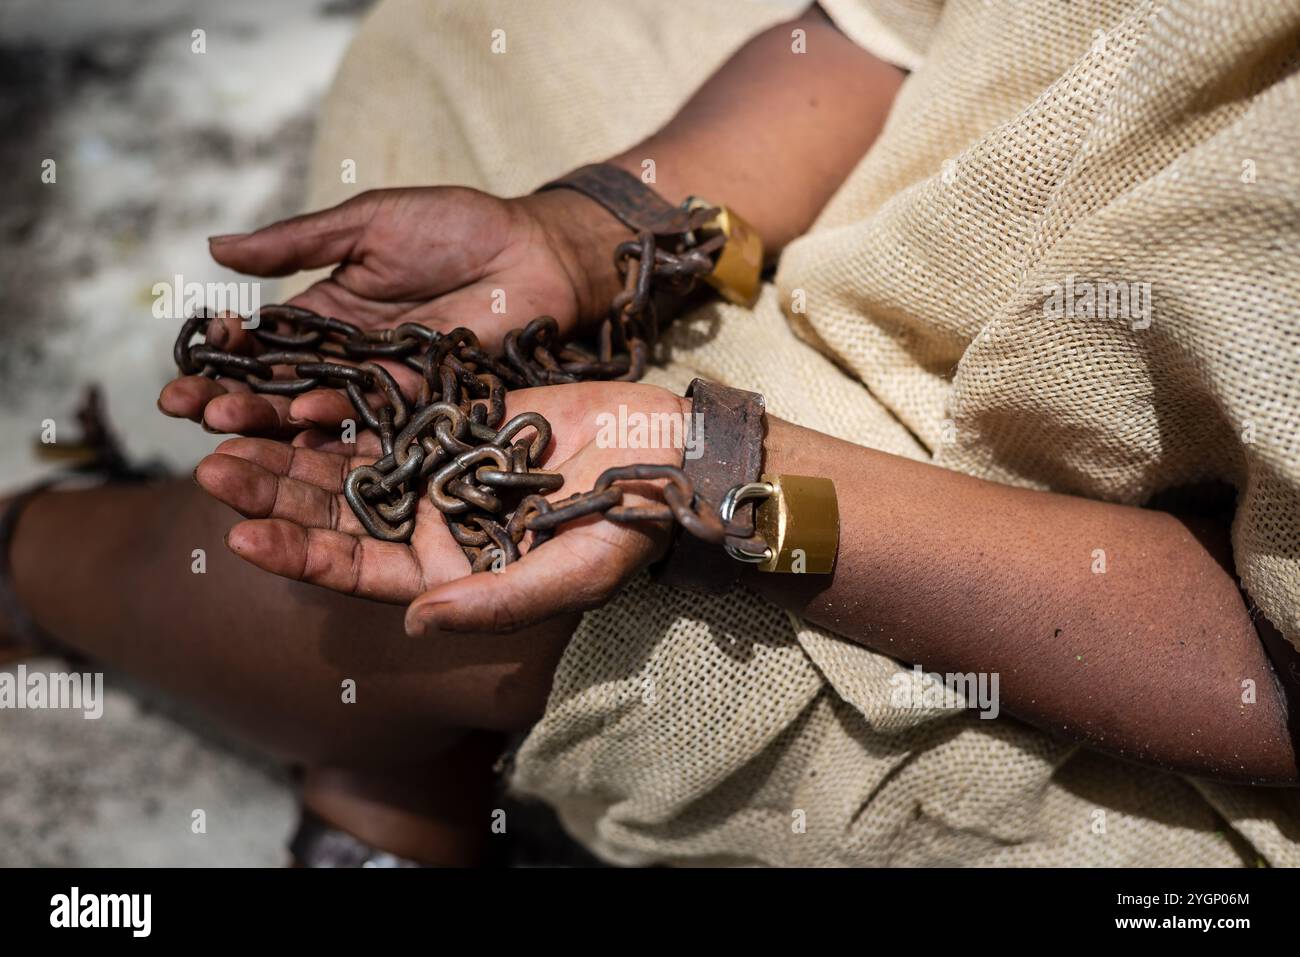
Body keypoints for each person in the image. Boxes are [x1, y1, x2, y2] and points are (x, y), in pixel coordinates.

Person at [5, 0, 1299, 866]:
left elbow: (1264, 673)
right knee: (465, 30)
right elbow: (886, 34)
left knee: (460, 583)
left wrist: (709, 470)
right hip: (909, 252)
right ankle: (386, 777)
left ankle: (39, 554)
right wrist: (597, 227)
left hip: (1077, 623)